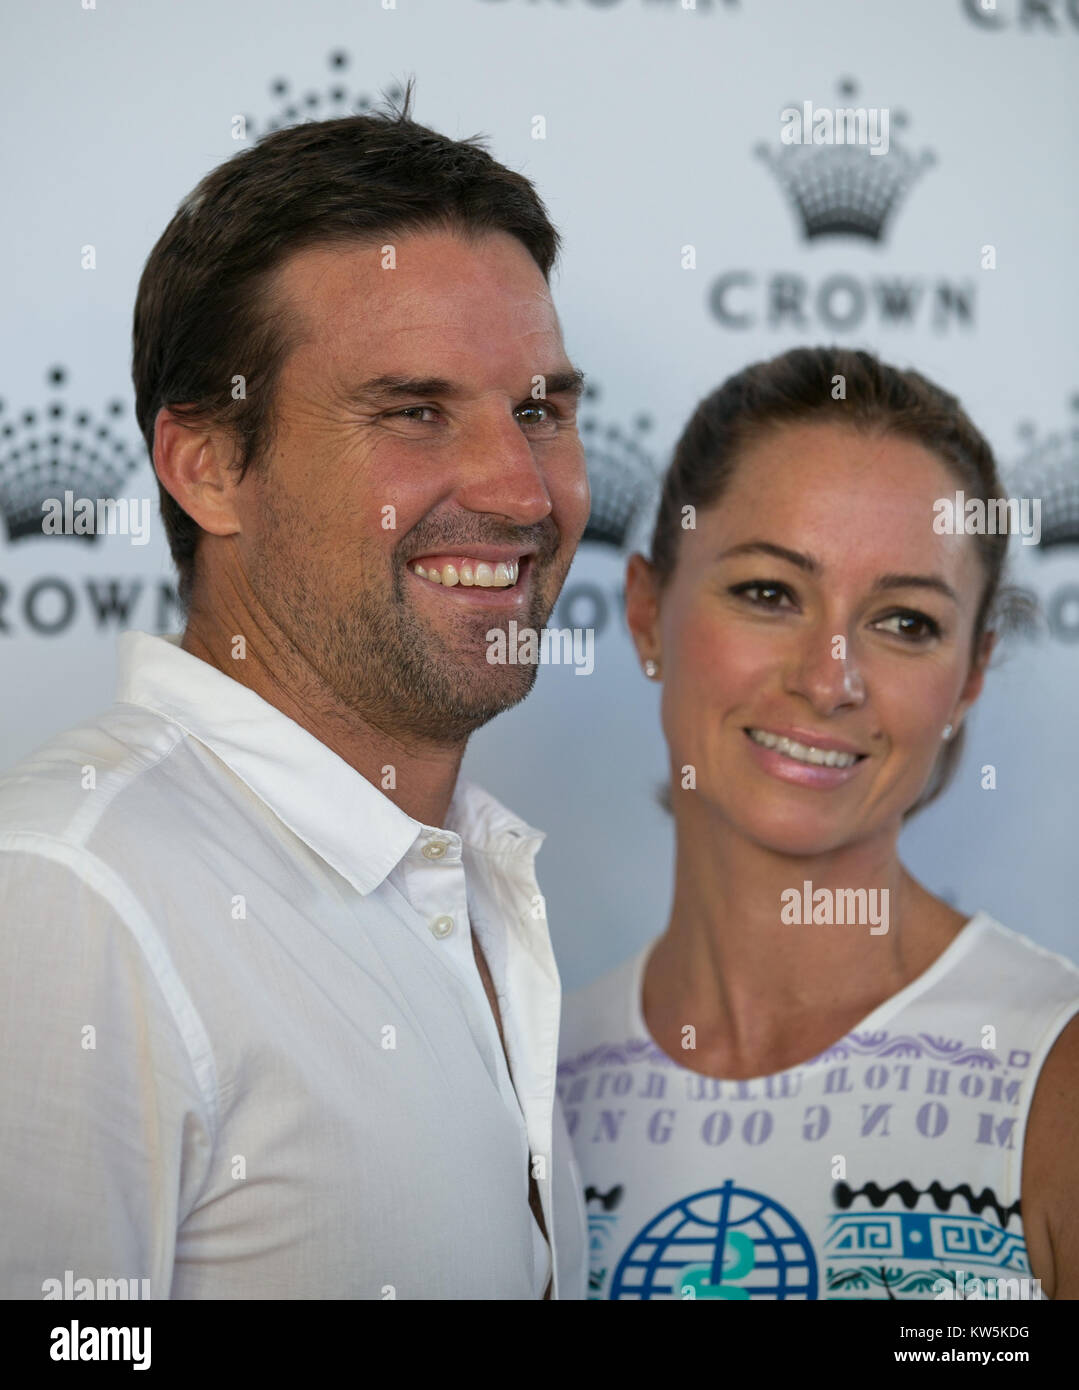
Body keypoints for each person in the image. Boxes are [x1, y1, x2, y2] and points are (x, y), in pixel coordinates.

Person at [0, 84, 591, 1299]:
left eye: (539, 409)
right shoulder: (70, 892)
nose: (523, 490)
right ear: (209, 468)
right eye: (414, 410)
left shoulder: (467, 869)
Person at [559, 346, 1079, 1302]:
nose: (827, 678)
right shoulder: (534, 1083)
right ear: (644, 613)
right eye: (768, 593)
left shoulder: (1060, 1080)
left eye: (905, 622)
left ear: (967, 677)